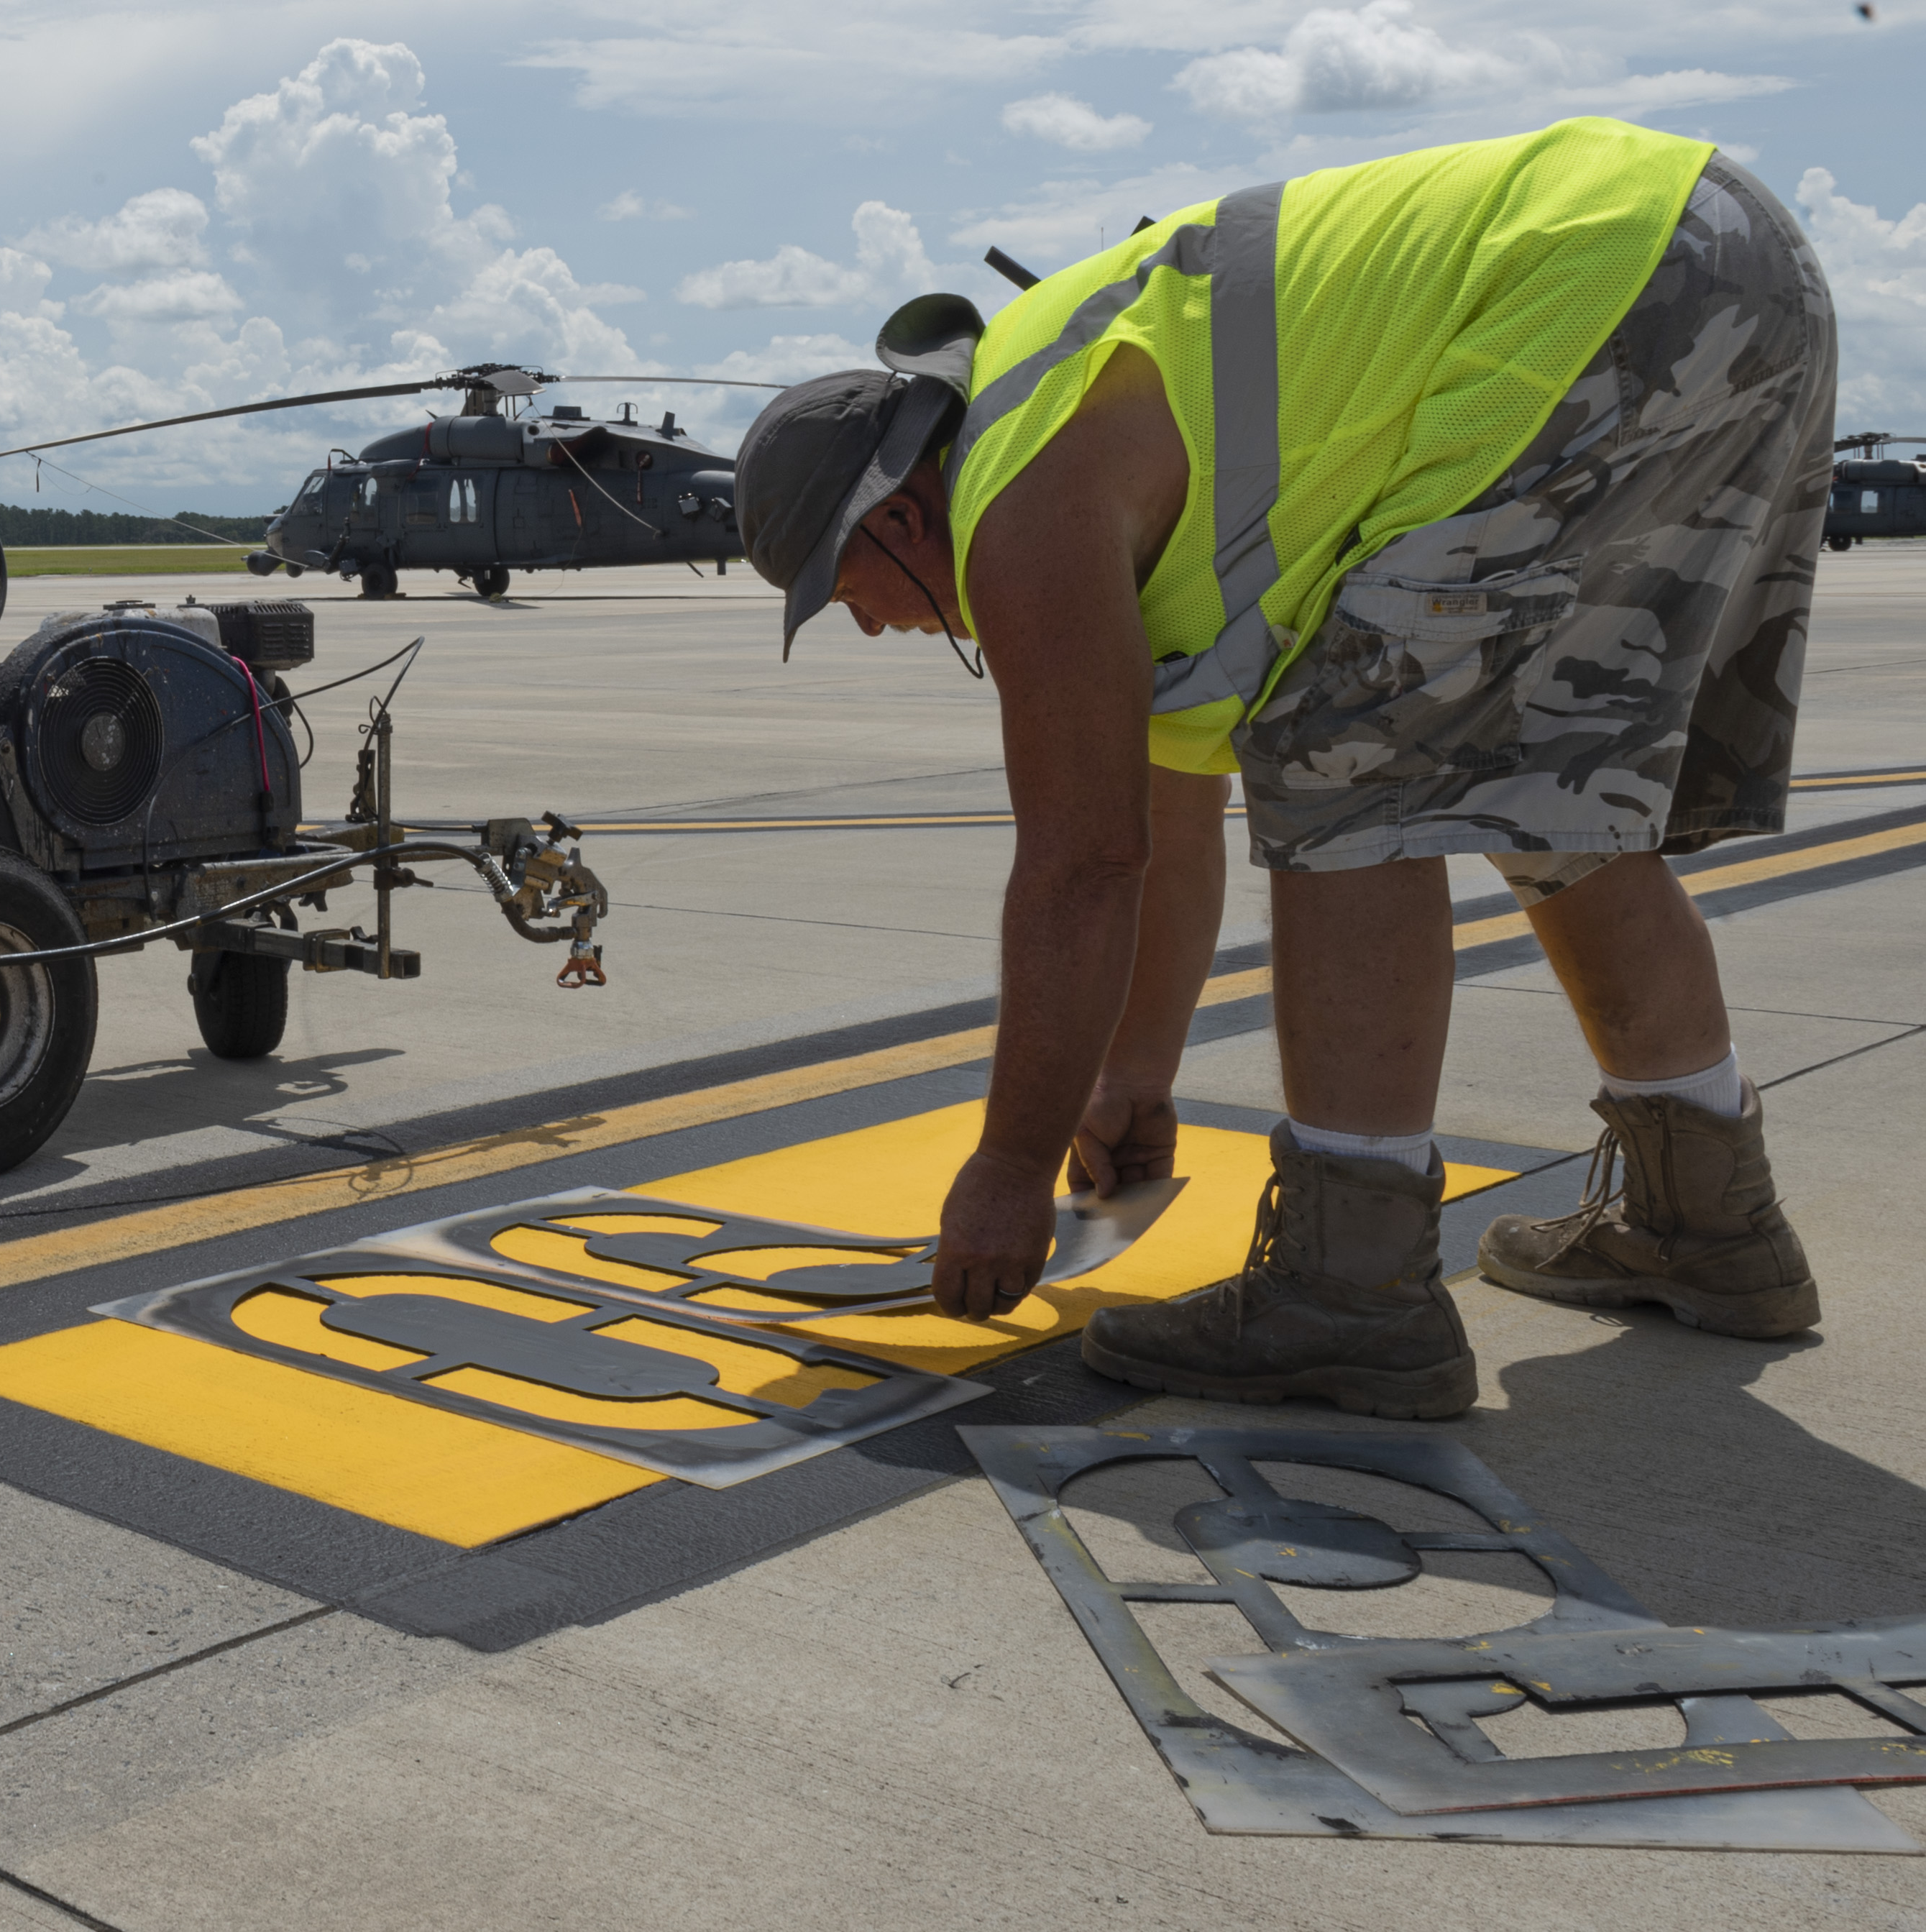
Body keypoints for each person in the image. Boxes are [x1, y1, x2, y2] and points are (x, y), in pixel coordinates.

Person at [733, 118, 1835, 1420]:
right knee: (1542, 789)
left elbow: (1083, 865)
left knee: (1338, 764)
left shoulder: (1019, 500)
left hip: (1586, 287)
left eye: (843, 590)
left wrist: (1007, 1165)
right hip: (1713, 255)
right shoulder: (1093, 435)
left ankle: (1348, 1289)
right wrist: (1130, 1078)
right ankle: (1707, 1221)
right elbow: (1161, 822)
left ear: (899, 516)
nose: (866, 623)